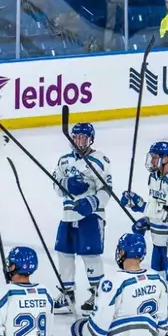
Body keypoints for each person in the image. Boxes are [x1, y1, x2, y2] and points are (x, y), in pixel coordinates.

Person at [51, 121, 112, 316]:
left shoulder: (100, 160)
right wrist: (66, 183)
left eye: (82, 137)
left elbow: (106, 189)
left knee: (90, 255)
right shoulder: (64, 161)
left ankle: (98, 295)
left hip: (91, 216)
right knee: (64, 253)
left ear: (90, 139)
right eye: (75, 137)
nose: (78, 141)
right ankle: (68, 295)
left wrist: (93, 202)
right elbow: (56, 185)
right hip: (68, 215)